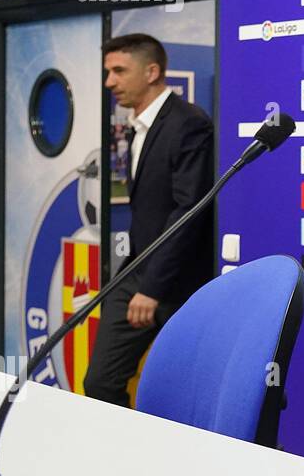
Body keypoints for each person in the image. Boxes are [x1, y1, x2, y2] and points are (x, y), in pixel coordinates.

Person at [84, 34, 215, 406]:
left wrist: (152, 288)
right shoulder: (135, 126)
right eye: (108, 71)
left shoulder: (189, 123)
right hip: (137, 271)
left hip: (176, 280)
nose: (110, 82)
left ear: (152, 71)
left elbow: (188, 212)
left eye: (119, 71)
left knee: (188, 389)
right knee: (100, 383)